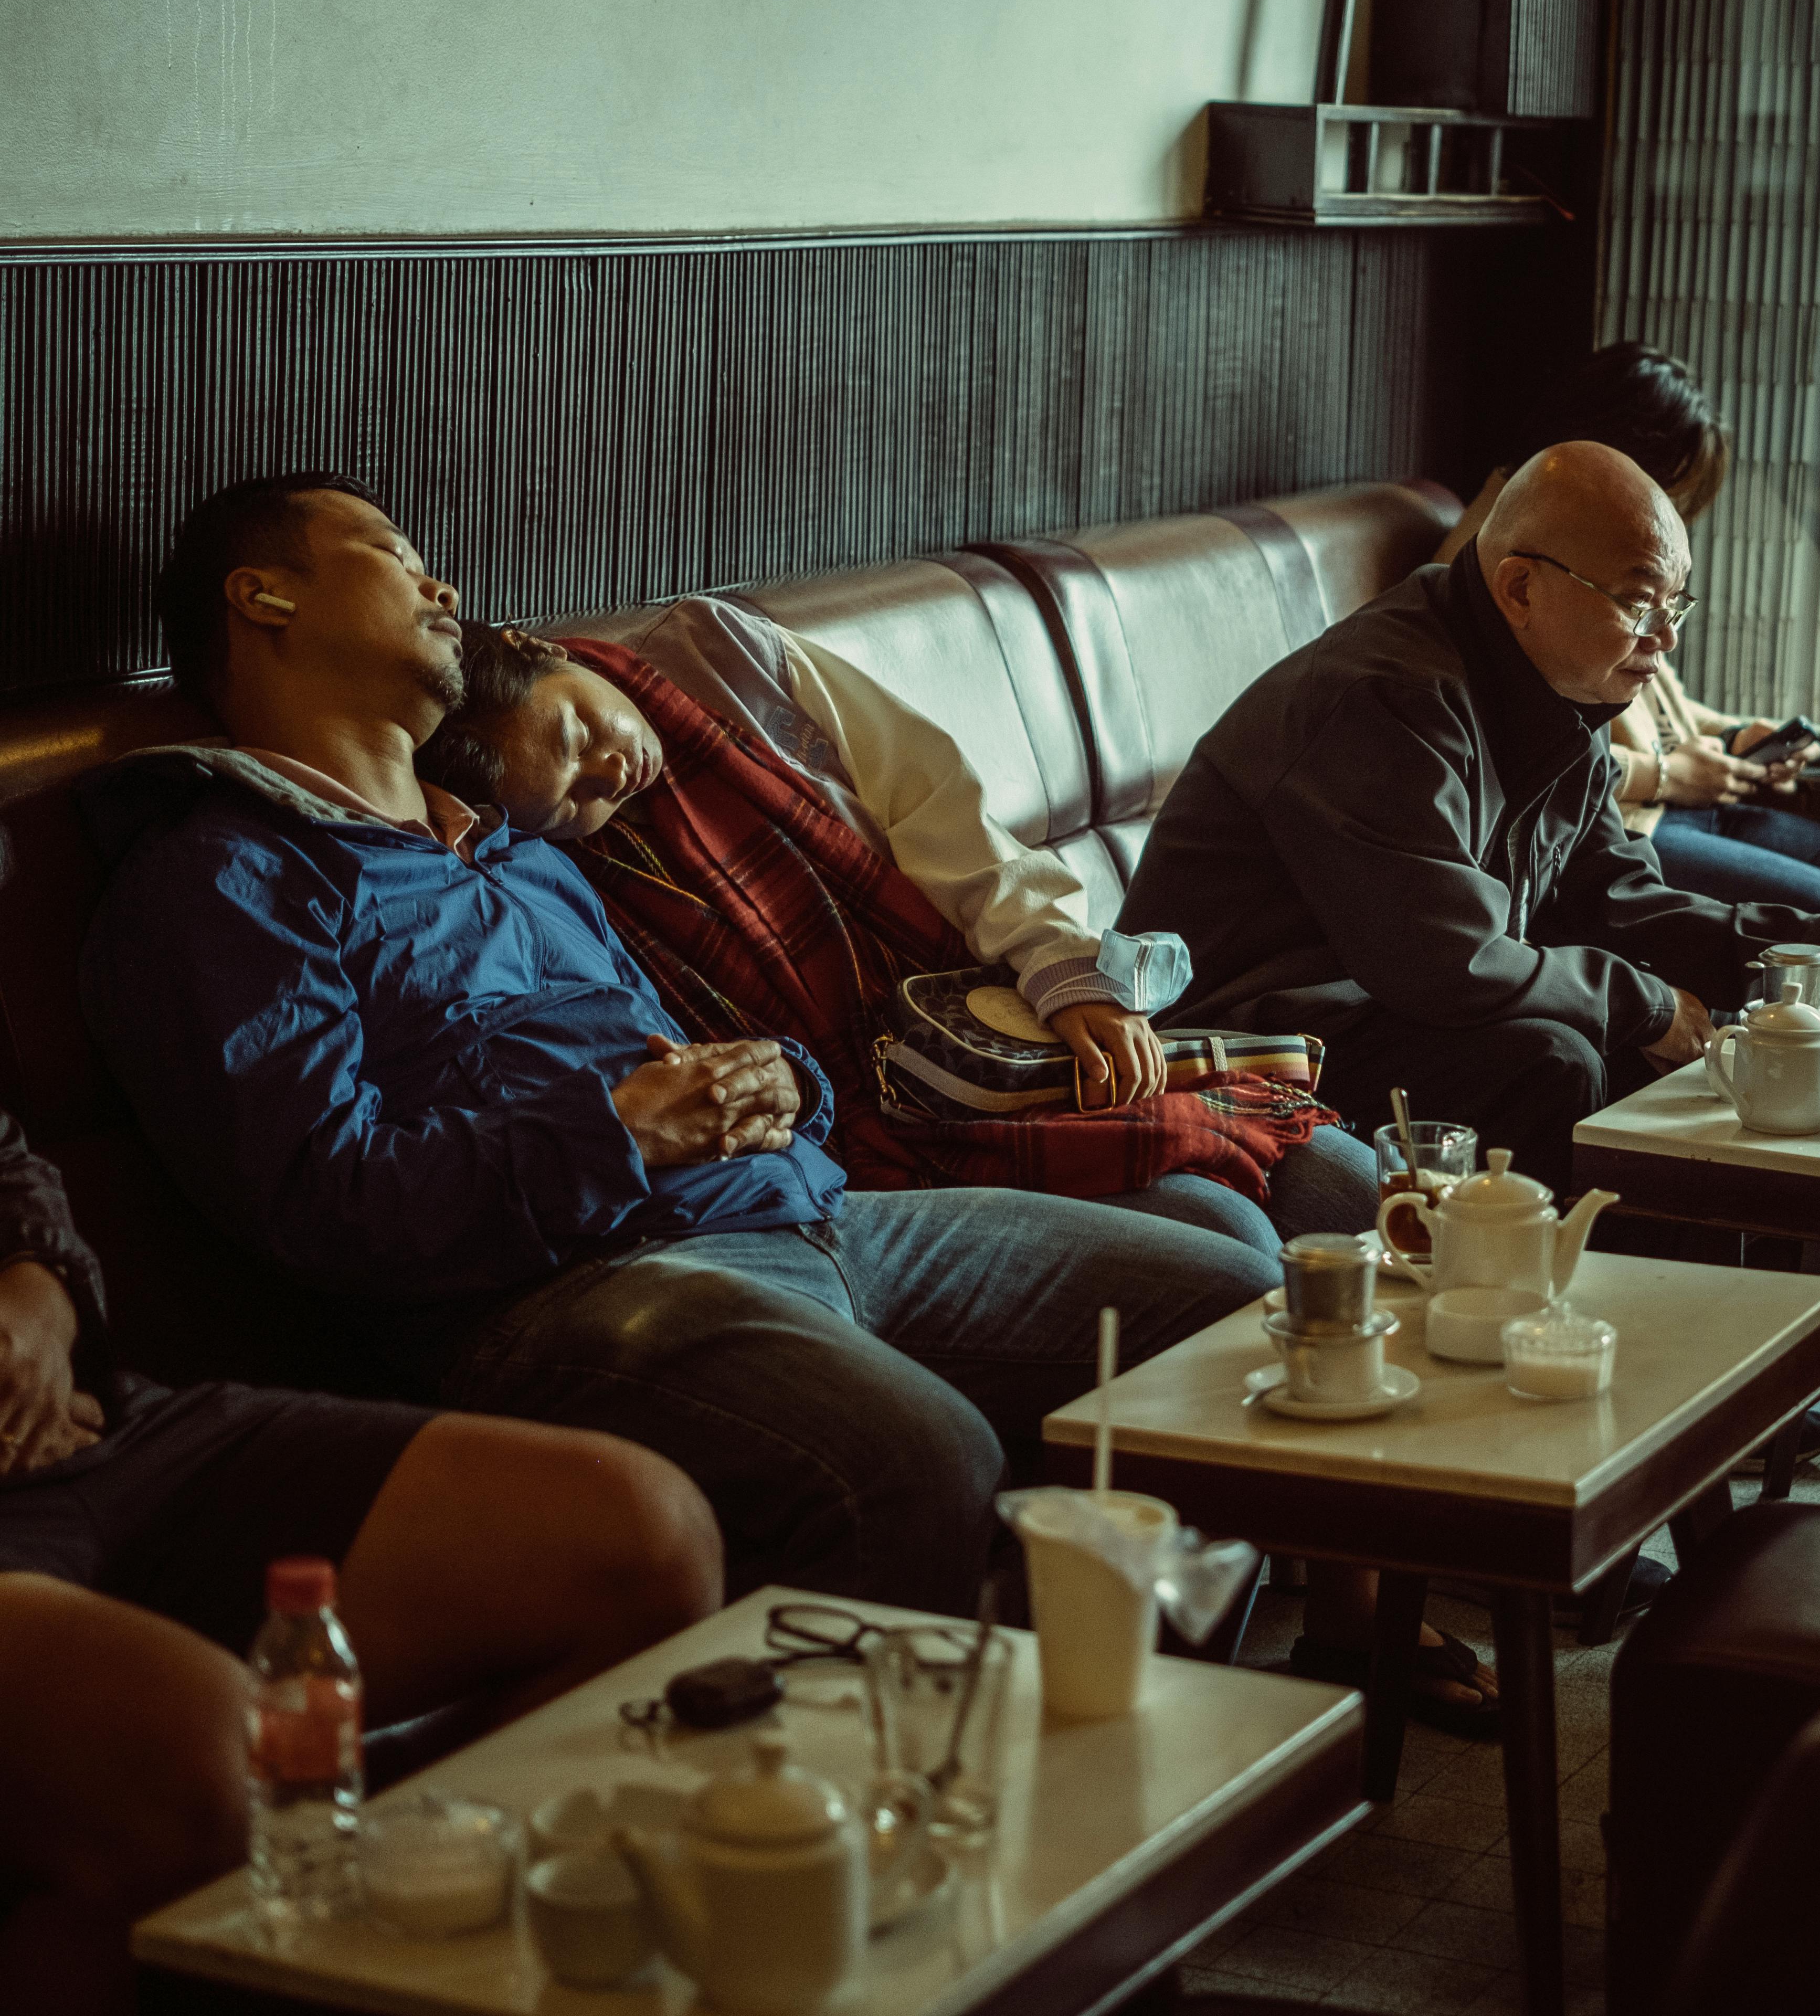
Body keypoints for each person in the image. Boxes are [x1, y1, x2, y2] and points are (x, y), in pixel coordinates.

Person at [77, 476, 1276, 1616]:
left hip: (801, 1215)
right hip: (572, 1292)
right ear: (264, 597)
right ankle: (891, 1796)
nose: (441, 588)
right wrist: (619, 1130)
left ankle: (1113, 1722)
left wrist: (778, 1084)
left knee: (1236, 1306)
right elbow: (322, 1198)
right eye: (395, 558)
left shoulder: (516, 849)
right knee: (919, 1454)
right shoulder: (224, 876)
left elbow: (686, 1058)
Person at [0, 1108, 719, 2013]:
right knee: (219, 1751)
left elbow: (12, 1171)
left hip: (98, 1422)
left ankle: (441, 1980)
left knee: (646, 1535)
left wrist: (42, 1295)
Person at [1121, 441, 1820, 1196]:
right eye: (1638, 602)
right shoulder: (1385, 699)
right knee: (1551, 1058)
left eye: (1676, 606)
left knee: (1677, 1050)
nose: (1664, 639)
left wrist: (1808, 944)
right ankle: (1523, 1326)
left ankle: (1682, 1325)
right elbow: (1449, 961)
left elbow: (1613, 894)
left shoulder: (1551, 690)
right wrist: (1648, 1005)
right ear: (1520, 587)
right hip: (1247, 1038)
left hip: (1371, 1009)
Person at [412, 602, 1378, 1252]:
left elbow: (939, 807)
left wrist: (1066, 972)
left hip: (1002, 1030)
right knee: (1222, 1230)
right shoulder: (550, 874)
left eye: (583, 735)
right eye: (572, 801)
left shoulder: (719, 655)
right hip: (872, 1136)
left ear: (546, 654)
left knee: (1344, 1177)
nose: (608, 780)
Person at [1430, 344, 1820, 924]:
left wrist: (1735, 739)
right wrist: (1668, 774)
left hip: (1679, 799)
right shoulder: (1507, 569)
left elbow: (1659, 701)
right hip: (1632, 819)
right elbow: (1515, 756)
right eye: (1670, 492)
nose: (1676, 518)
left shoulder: (1600, 557)